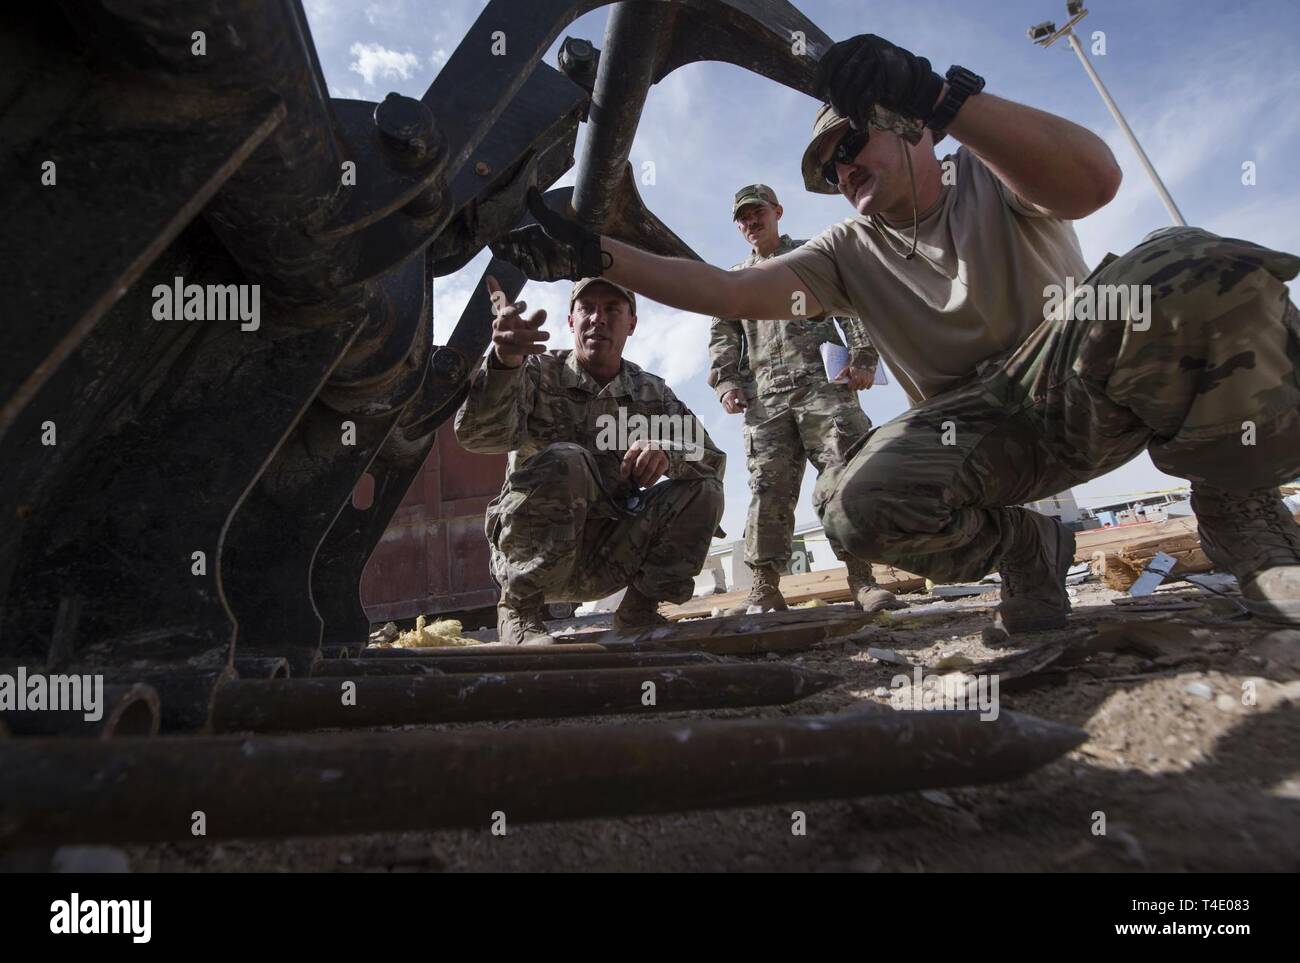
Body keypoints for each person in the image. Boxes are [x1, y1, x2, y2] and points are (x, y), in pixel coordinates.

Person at [490, 33, 1300, 633]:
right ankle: (1026, 550)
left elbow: (1096, 181)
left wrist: (944, 97)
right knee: (852, 504)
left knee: (1189, 266)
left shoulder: (985, 171)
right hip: (982, 435)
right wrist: (592, 253)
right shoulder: (846, 249)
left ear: (911, 128)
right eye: (826, 169)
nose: (841, 171)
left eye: (850, 145)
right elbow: (724, 290)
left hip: (1081, 373)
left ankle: (1243, 510)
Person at [455, 276, 725, 645]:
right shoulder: (535, 372)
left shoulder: (650, 392)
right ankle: (519, 611)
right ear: (571, 321)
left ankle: (638, 612)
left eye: (612, 309)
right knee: (568, 459)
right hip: (534, 554)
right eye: (587, 308)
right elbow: (478, 436)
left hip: (610, 555)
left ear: (631, 323)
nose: (598, 318)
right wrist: (504, 364)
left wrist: (666, 451)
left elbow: (711, 458)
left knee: (705, 490)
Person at [711, 182, 902, 614]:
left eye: (757, 211)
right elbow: (723, 333)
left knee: (844, 476)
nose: (751, 221)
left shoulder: (809, 259)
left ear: (777, 211)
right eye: (742, 217)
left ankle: (863, 580)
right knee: (768, 489)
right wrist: (726, 382)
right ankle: (765, 589)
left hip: (825, 390)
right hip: (766, 400)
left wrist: (864, 357)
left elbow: (850, 304)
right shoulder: (736, 279)